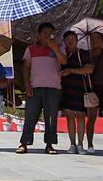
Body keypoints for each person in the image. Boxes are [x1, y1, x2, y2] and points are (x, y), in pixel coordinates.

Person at [17, 22, 67, 154]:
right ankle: (24, 143)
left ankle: (50, 144)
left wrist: (55, 48)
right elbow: (26, 68)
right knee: (30, 116)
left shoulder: (59, 47)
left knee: (51, 118)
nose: (47, 35)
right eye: (44, 33)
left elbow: (64, 61)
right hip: (35, 87)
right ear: (38, 35)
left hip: (53, 88)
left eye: (50, 33)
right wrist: (27, 84)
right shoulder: (31, 49)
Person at [59, 30, 94, 154]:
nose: (70, 41)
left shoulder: (83, 53)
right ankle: (72, 144)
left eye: (72, 39)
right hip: (65, 89)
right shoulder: (62, 54)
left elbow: (89, 69)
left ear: (77, 40)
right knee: (69, 117)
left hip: (80, 88)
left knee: (80, 116)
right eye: (67, 39)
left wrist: (71, 71)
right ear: (64, 41)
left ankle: (80, 144)